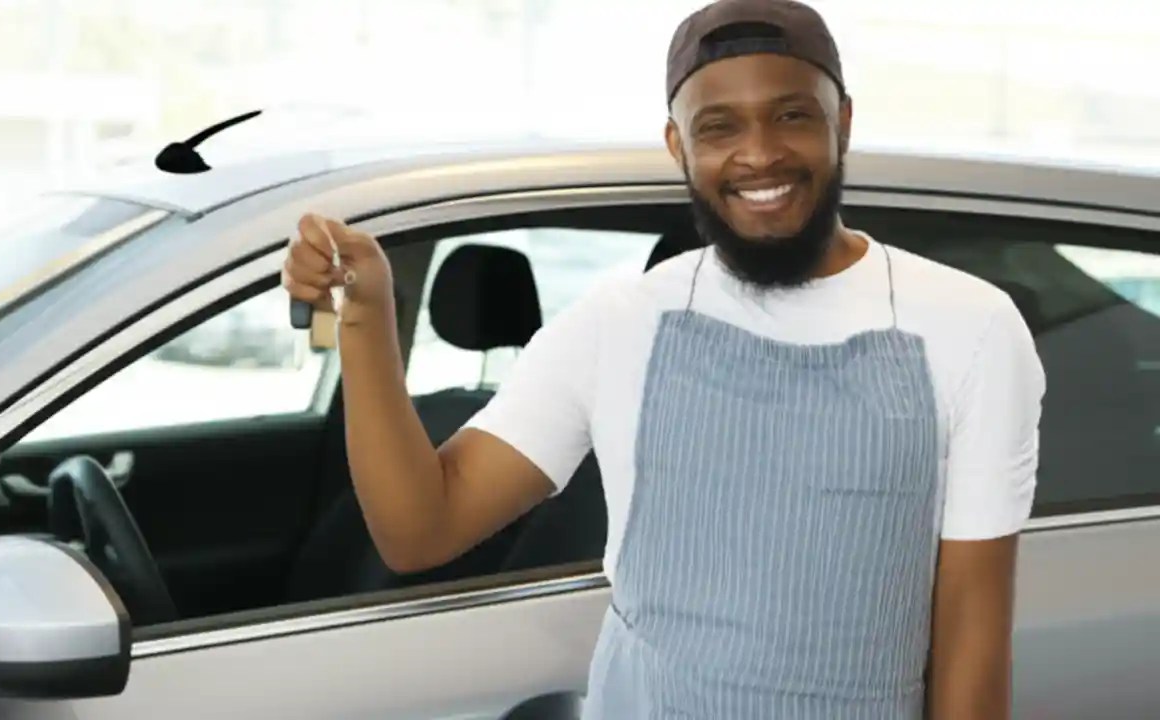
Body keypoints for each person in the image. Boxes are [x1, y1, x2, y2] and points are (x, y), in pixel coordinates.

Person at [280, 0, 1045, 716]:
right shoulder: (620, 324)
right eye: (719, 127)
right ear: (679, 145)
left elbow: (971, 645)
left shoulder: (969, 329)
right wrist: (367, 320)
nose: (760, 153)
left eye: (792, 116)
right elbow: (421, 530)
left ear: (841, 122)